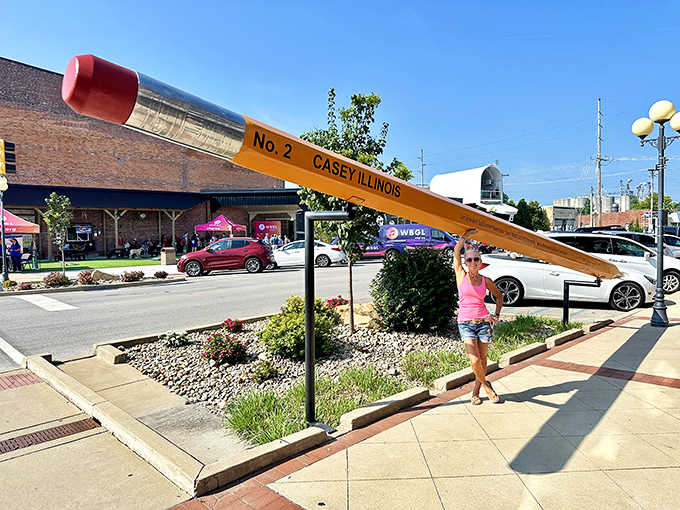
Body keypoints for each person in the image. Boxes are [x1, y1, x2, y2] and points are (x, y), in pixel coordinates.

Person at [454, 229, 504, 405]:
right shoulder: (461, 275)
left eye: (476, 259)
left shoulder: (486, 280)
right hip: (466, 323)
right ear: (466, 262)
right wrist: (463, 239)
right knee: (474, 360)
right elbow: (455, 254)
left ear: (480, 262)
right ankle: (487, 386)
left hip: (484, 322)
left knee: (482, 362)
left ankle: (475, 393)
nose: (473, 262)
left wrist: (496, 314)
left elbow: (499, 296)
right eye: (470, 259)